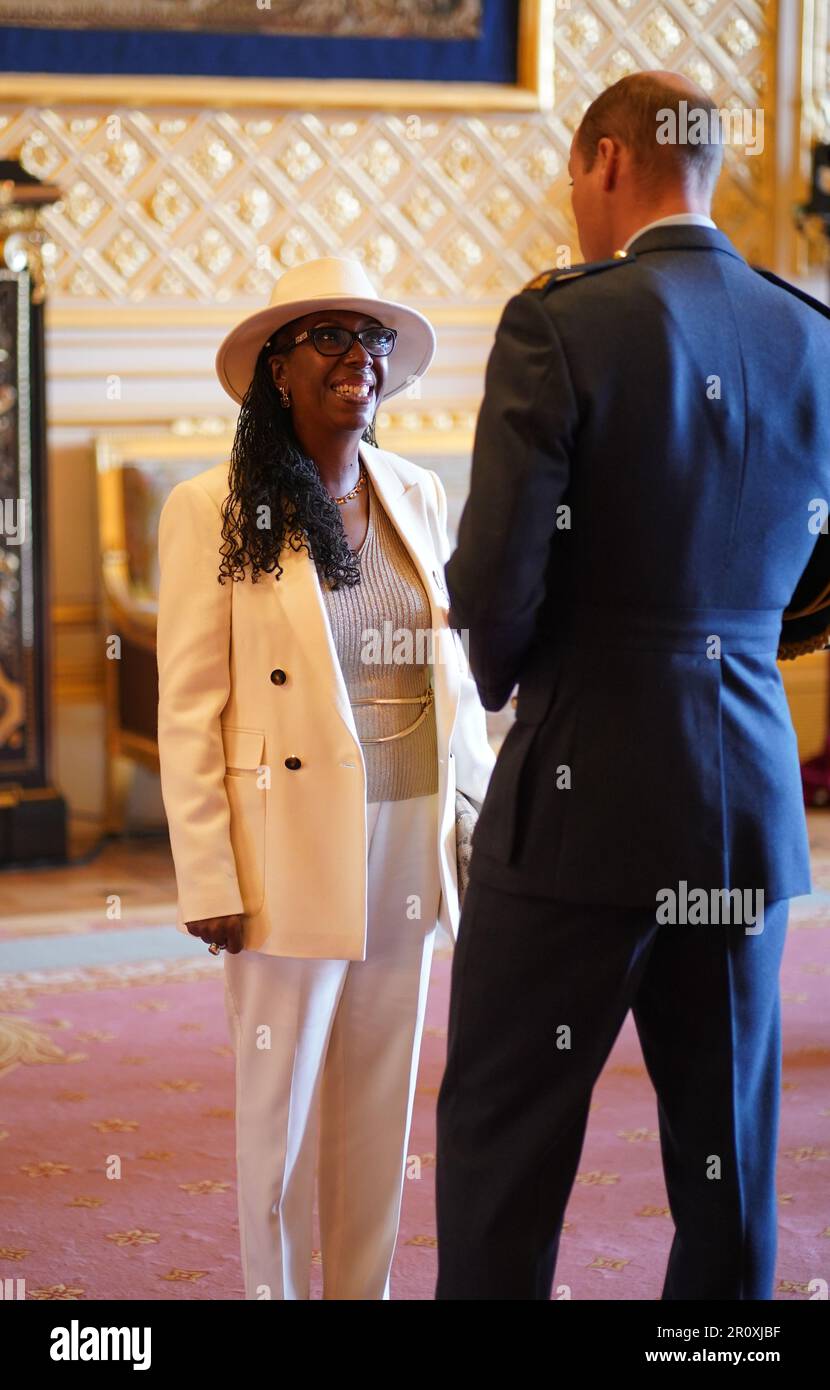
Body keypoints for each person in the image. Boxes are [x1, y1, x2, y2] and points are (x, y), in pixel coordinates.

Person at [434, 70, 830, 1300]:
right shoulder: (807, 333)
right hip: (740, 805)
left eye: (570, 172)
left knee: (505, 1143)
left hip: (577, 800)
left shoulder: (560, 322)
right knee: (726, 1167)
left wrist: (513, 686)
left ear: (607, 161)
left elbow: (494, 578)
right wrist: (745, 640)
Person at [156, 256, 494, 1300]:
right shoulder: (211, 508)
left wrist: (476, 825)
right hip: (284, 845)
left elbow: (454, 676)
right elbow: (187, 706)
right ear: (276, 371)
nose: (362, 358)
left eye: (374, 339)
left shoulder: (418, 493)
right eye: (331, 338)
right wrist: (209, 872)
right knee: (282, 1112)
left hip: (405, 833)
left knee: (376, 1110)